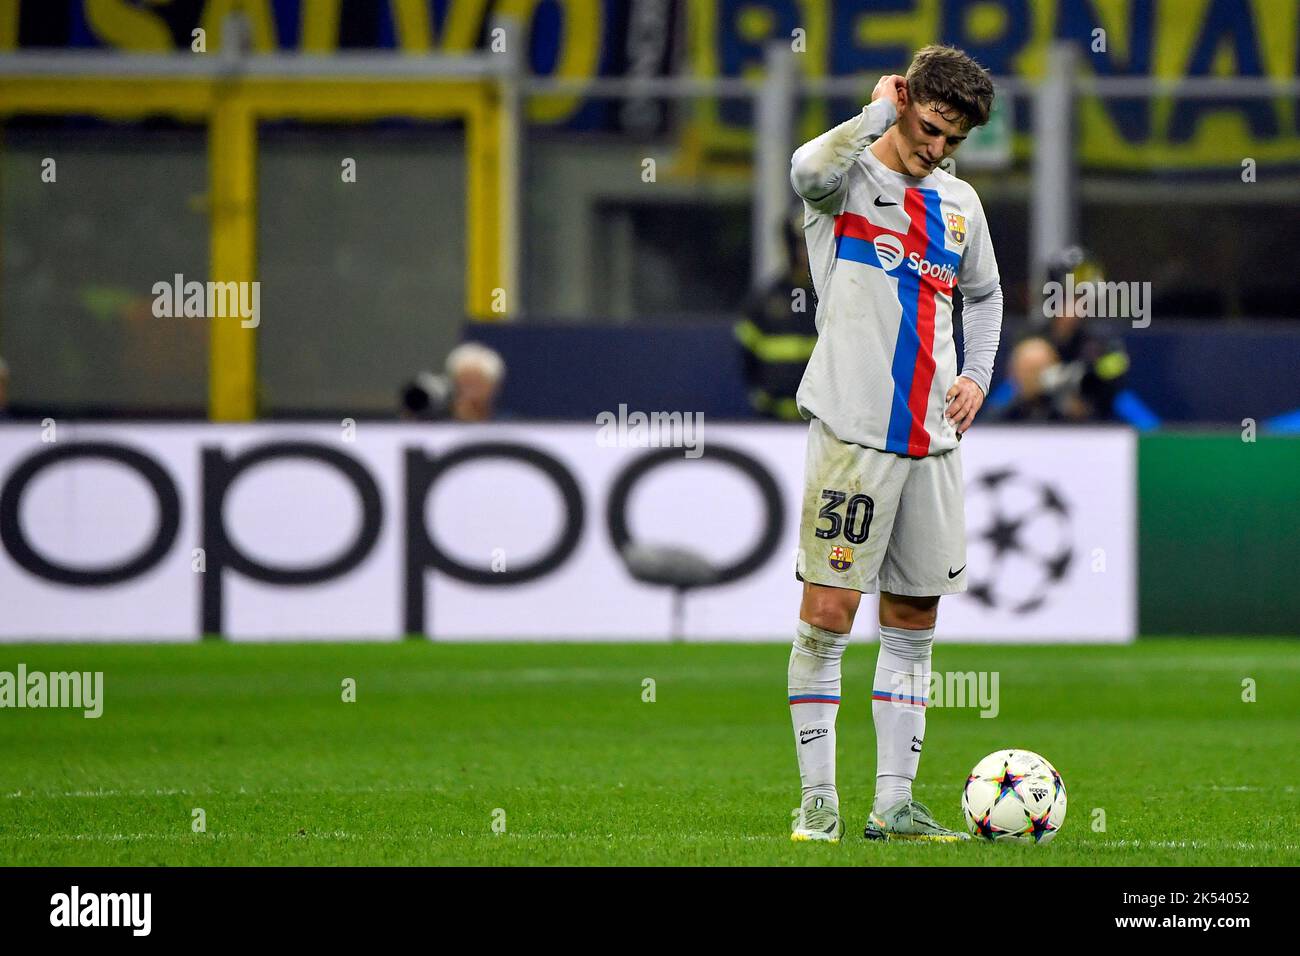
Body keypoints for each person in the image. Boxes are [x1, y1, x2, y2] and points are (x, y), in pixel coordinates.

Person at [785, 45, 1002, 843]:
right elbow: (805, 167)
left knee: (913, 620)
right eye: (931, 127)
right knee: (830, 613)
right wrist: (874, 116)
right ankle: (818, 804)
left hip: (935, 442)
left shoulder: (959, 205)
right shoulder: (844, 182)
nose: (937, 148)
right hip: (853, 432)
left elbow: (984, 295)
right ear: (903, 100)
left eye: (954, 139)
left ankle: (894, 803)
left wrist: (977, 373)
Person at [734, 206, 818, 420]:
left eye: (814, 242)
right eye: (800, 244)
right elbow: (747, 362)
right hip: (772, 421)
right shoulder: (763, 301)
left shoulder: (837, 296)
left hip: (823, 424)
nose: (806, 252)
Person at [400, 342, 505, 423]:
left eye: (476, 384)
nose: (469, 391)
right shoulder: (434, 424)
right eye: (464, 383)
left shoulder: (508, 425)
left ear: (493, 386)